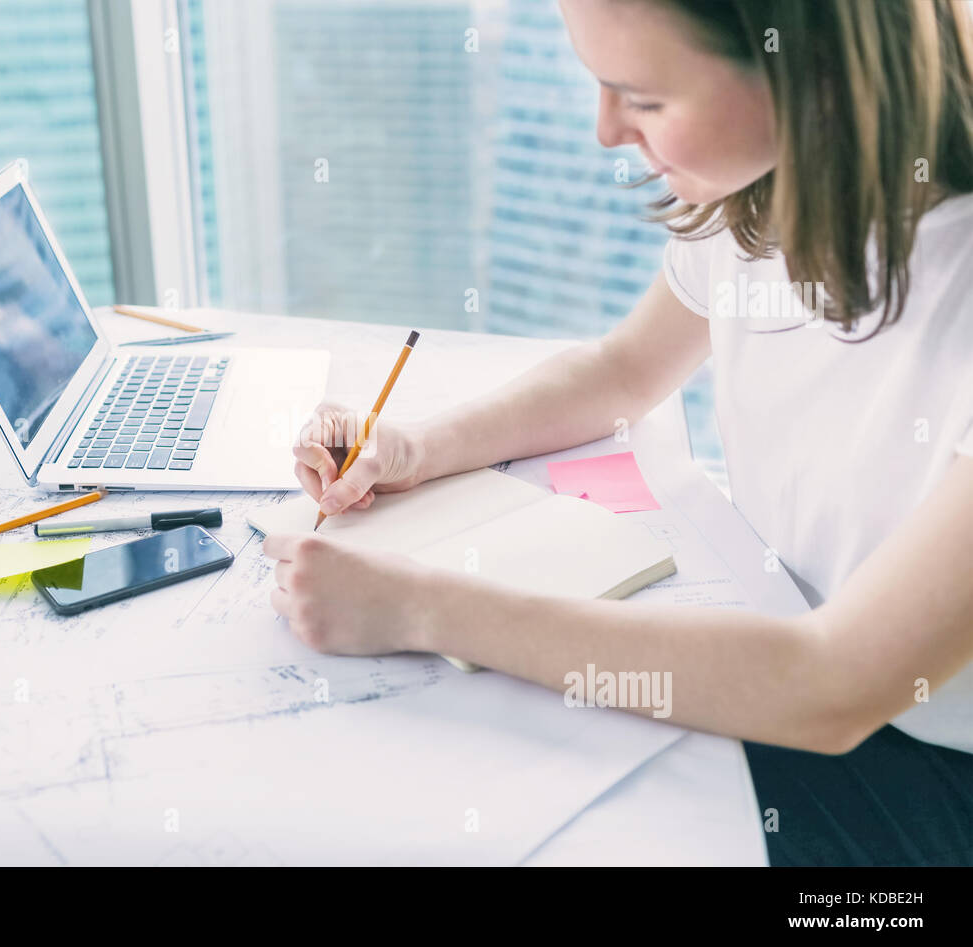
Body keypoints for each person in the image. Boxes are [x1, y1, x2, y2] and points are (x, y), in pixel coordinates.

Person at [264, 0, 973, 866]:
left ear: (810, 74)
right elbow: (623, 372)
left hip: (929, 774)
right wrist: (415, 447)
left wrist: (419, 608)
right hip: (789, 652)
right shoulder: (767, 190)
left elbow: (835, 686)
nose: (605, 132)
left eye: (642, 98)